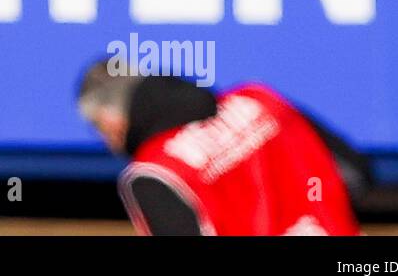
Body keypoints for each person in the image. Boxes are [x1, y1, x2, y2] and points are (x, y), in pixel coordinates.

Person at [78, 59, 371, 236]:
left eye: (99, 129)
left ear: (111, 119)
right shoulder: (258, 100)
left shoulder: (156, 174)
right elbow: (356, 175)